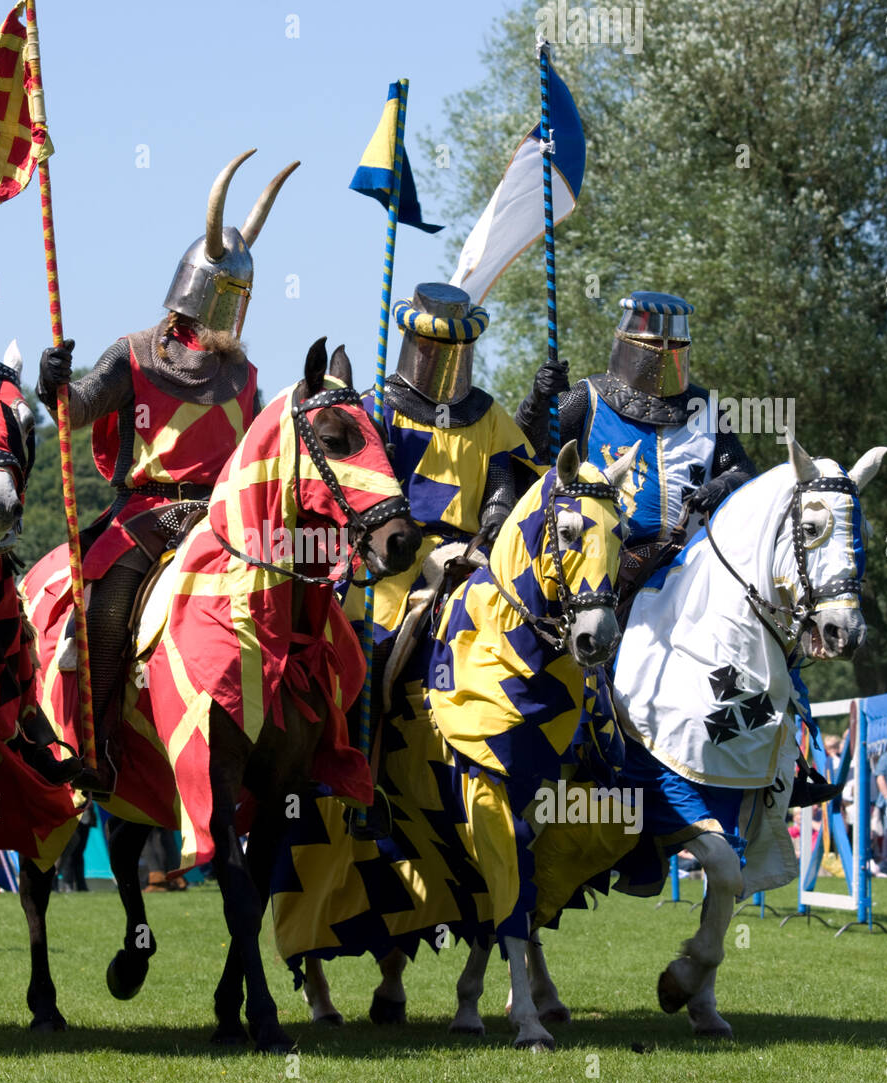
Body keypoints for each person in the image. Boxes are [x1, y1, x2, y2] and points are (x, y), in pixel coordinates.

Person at [34, 150, 297, 794]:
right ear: (200, 290)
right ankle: (96, 749)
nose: (237, 310)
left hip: (223, 516)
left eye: (245, 297)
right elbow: (76, 412)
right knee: (107, 601)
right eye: (230, 295)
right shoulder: (135, 354)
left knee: (304, 588)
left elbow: (256, 452)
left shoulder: (243, 373)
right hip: (145, 513)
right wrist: (53, 386)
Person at [343, 282, 545, 759]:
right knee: (363, 658)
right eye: (436, 347)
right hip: (390, 562)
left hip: (469, 557)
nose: (446, 359)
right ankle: (355, 769)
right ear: (414, 343)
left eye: (456, 349)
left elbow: (506, 474)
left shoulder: (488, 414)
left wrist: (496, 518)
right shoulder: (375, 408)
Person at [517, 291, 755, 601]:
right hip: (607, 563)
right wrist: (539, 401)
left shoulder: (705, 408)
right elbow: (527, 448)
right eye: (655, 343)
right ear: (629, 342)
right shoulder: (588, 397)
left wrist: (723, 484)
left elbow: (742, 470)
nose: (664, 351)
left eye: (673, 344)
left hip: (692, 564)